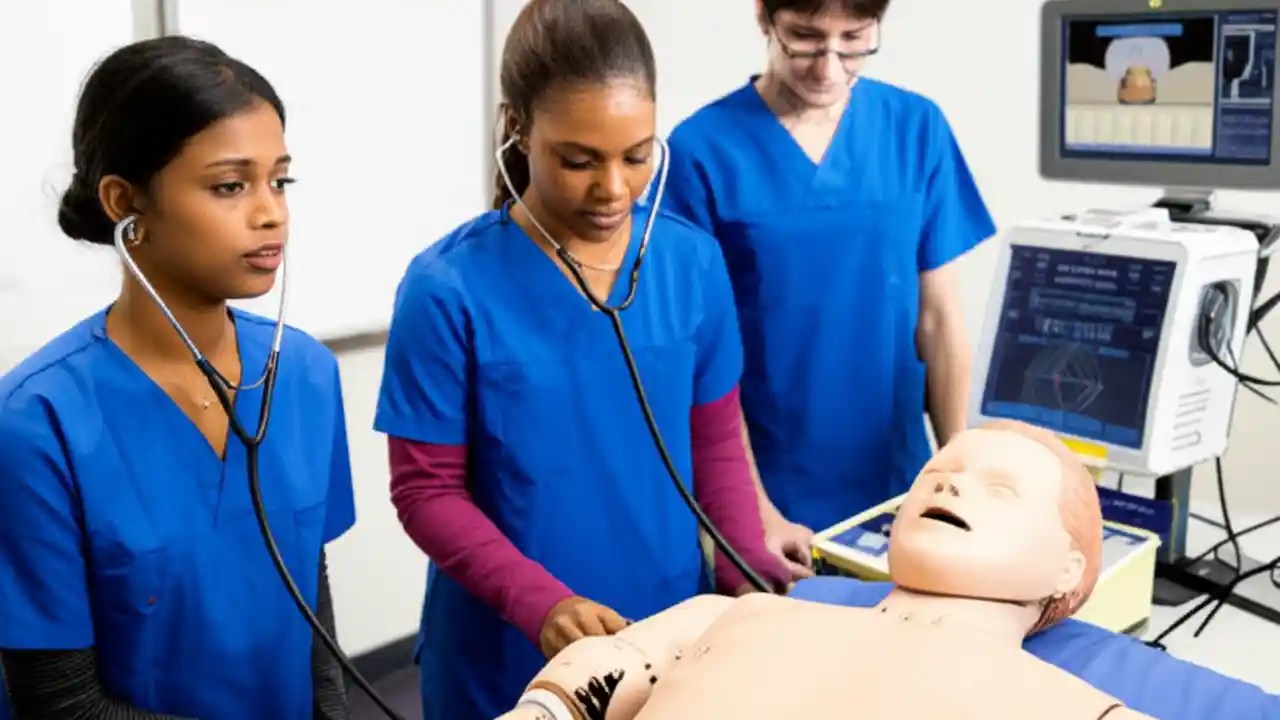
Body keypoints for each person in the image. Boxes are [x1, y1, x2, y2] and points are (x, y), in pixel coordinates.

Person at [372, 1, 790, 718]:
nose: (615, 190)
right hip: (506, 651)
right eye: (579, 160)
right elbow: (425, 493)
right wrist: (541, 604)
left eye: (637, 155)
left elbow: (714, 442)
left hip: (666, 633)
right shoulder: (446, 289)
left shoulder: (690, 262)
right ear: (517, 129)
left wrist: (746, 579)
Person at [0, 36, 355, 720]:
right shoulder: (35, 424)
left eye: (279, 180)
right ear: (124, 203)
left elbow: (309, 588)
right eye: (230, 185)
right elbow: (61, 704)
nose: (271, 212)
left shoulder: (305, 374)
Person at [495, 420, 1156, 719]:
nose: (949, 489)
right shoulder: (735, 614)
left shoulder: (1061, 704)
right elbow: (586, 684)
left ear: (1071, 569)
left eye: (1000, 490)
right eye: (937, 474)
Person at [664, 0, 997, 547]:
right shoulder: (702, 150)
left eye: (854, 39)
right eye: (805, 38)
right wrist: (754, 511)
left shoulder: (915, 129)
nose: (829, 66)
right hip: (768, 488)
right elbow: (698, 357)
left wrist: (956, 470)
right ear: (763, 17)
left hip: (898, 482)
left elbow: (939, 320)